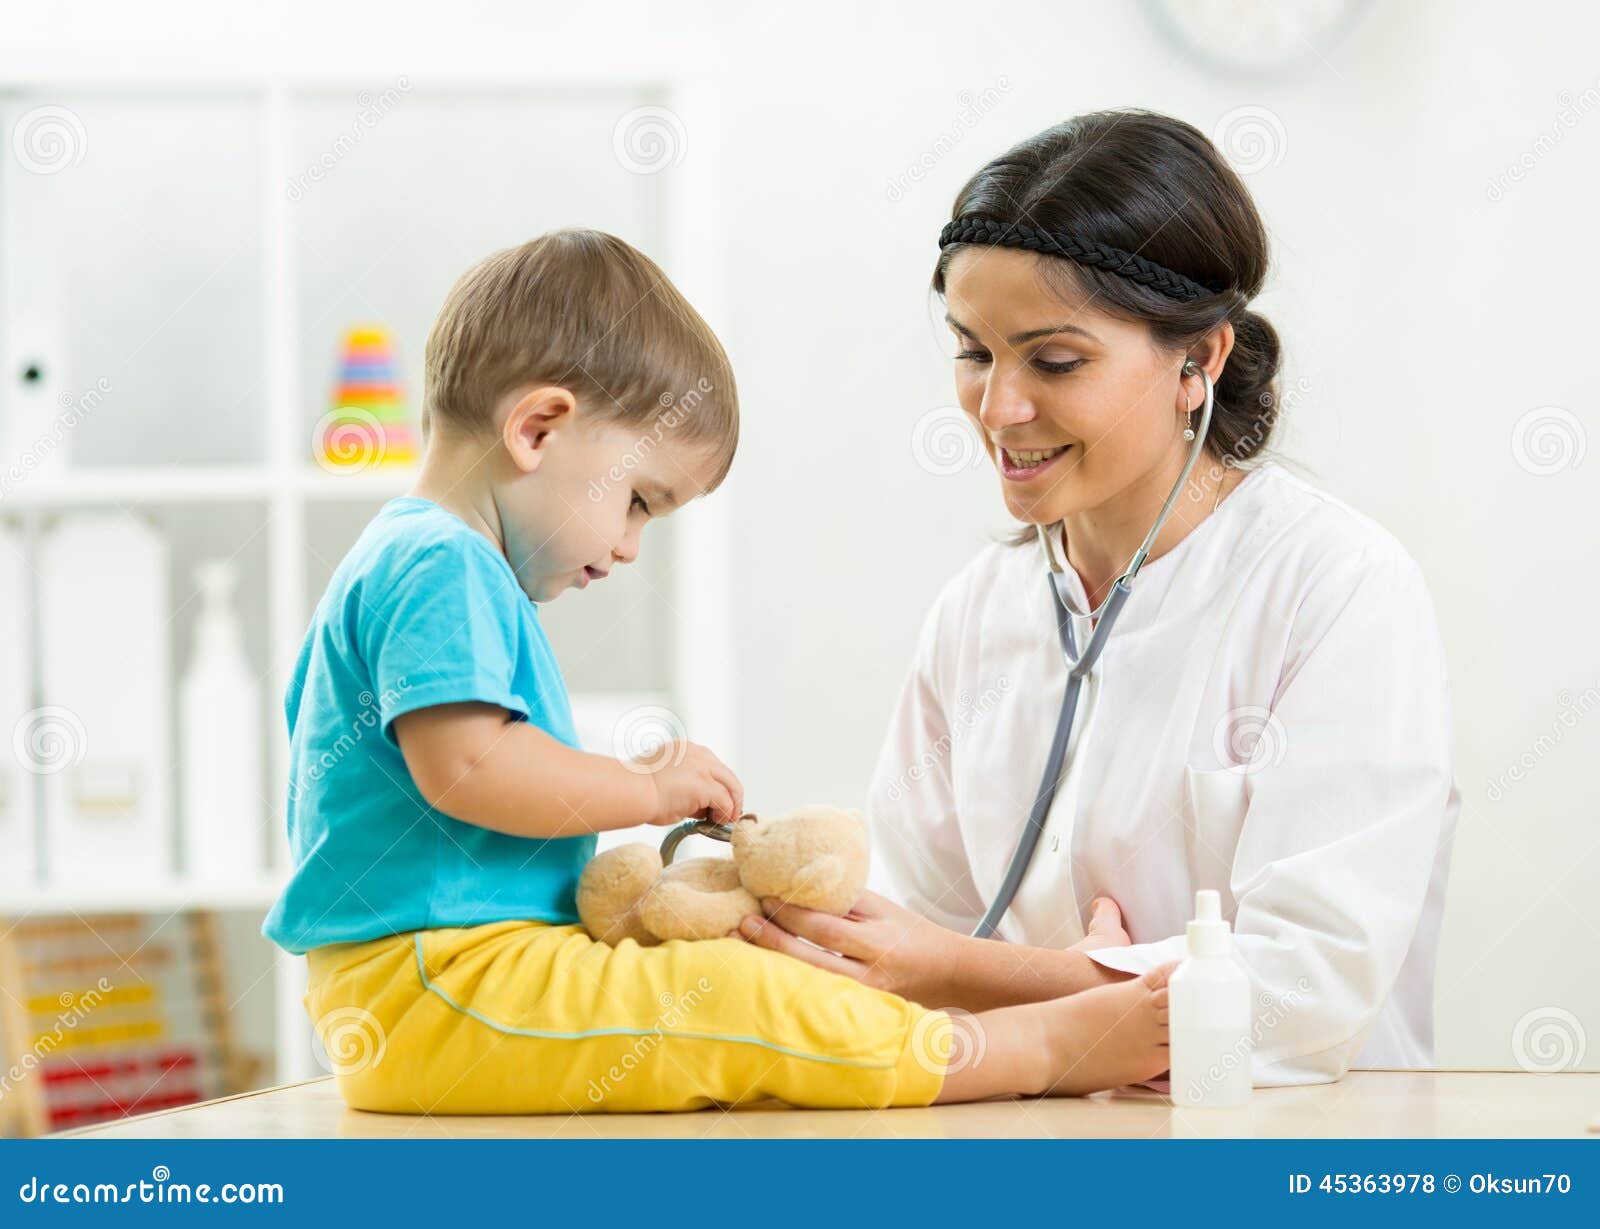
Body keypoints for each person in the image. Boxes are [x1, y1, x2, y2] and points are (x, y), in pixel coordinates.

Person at [262, 228, 1175, 1115]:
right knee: (731, 997)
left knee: (743, 980)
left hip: (443, 987)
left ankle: (1024, 1011)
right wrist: (646, 788)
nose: (628, 547)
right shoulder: (442, 565)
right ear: (538, 428)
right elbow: (468, 768)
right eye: (637, 502)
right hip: (437, 989)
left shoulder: (431, 562)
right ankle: (1047, 1046)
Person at [742, 110, 1460, 1087]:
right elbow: (890, 953)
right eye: (972, 350)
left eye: (1054, 360)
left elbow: (1303, 999)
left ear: (1197, 360)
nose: (997, 407)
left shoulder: (1335, 587)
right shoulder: (978, 610)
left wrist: (989, 970)